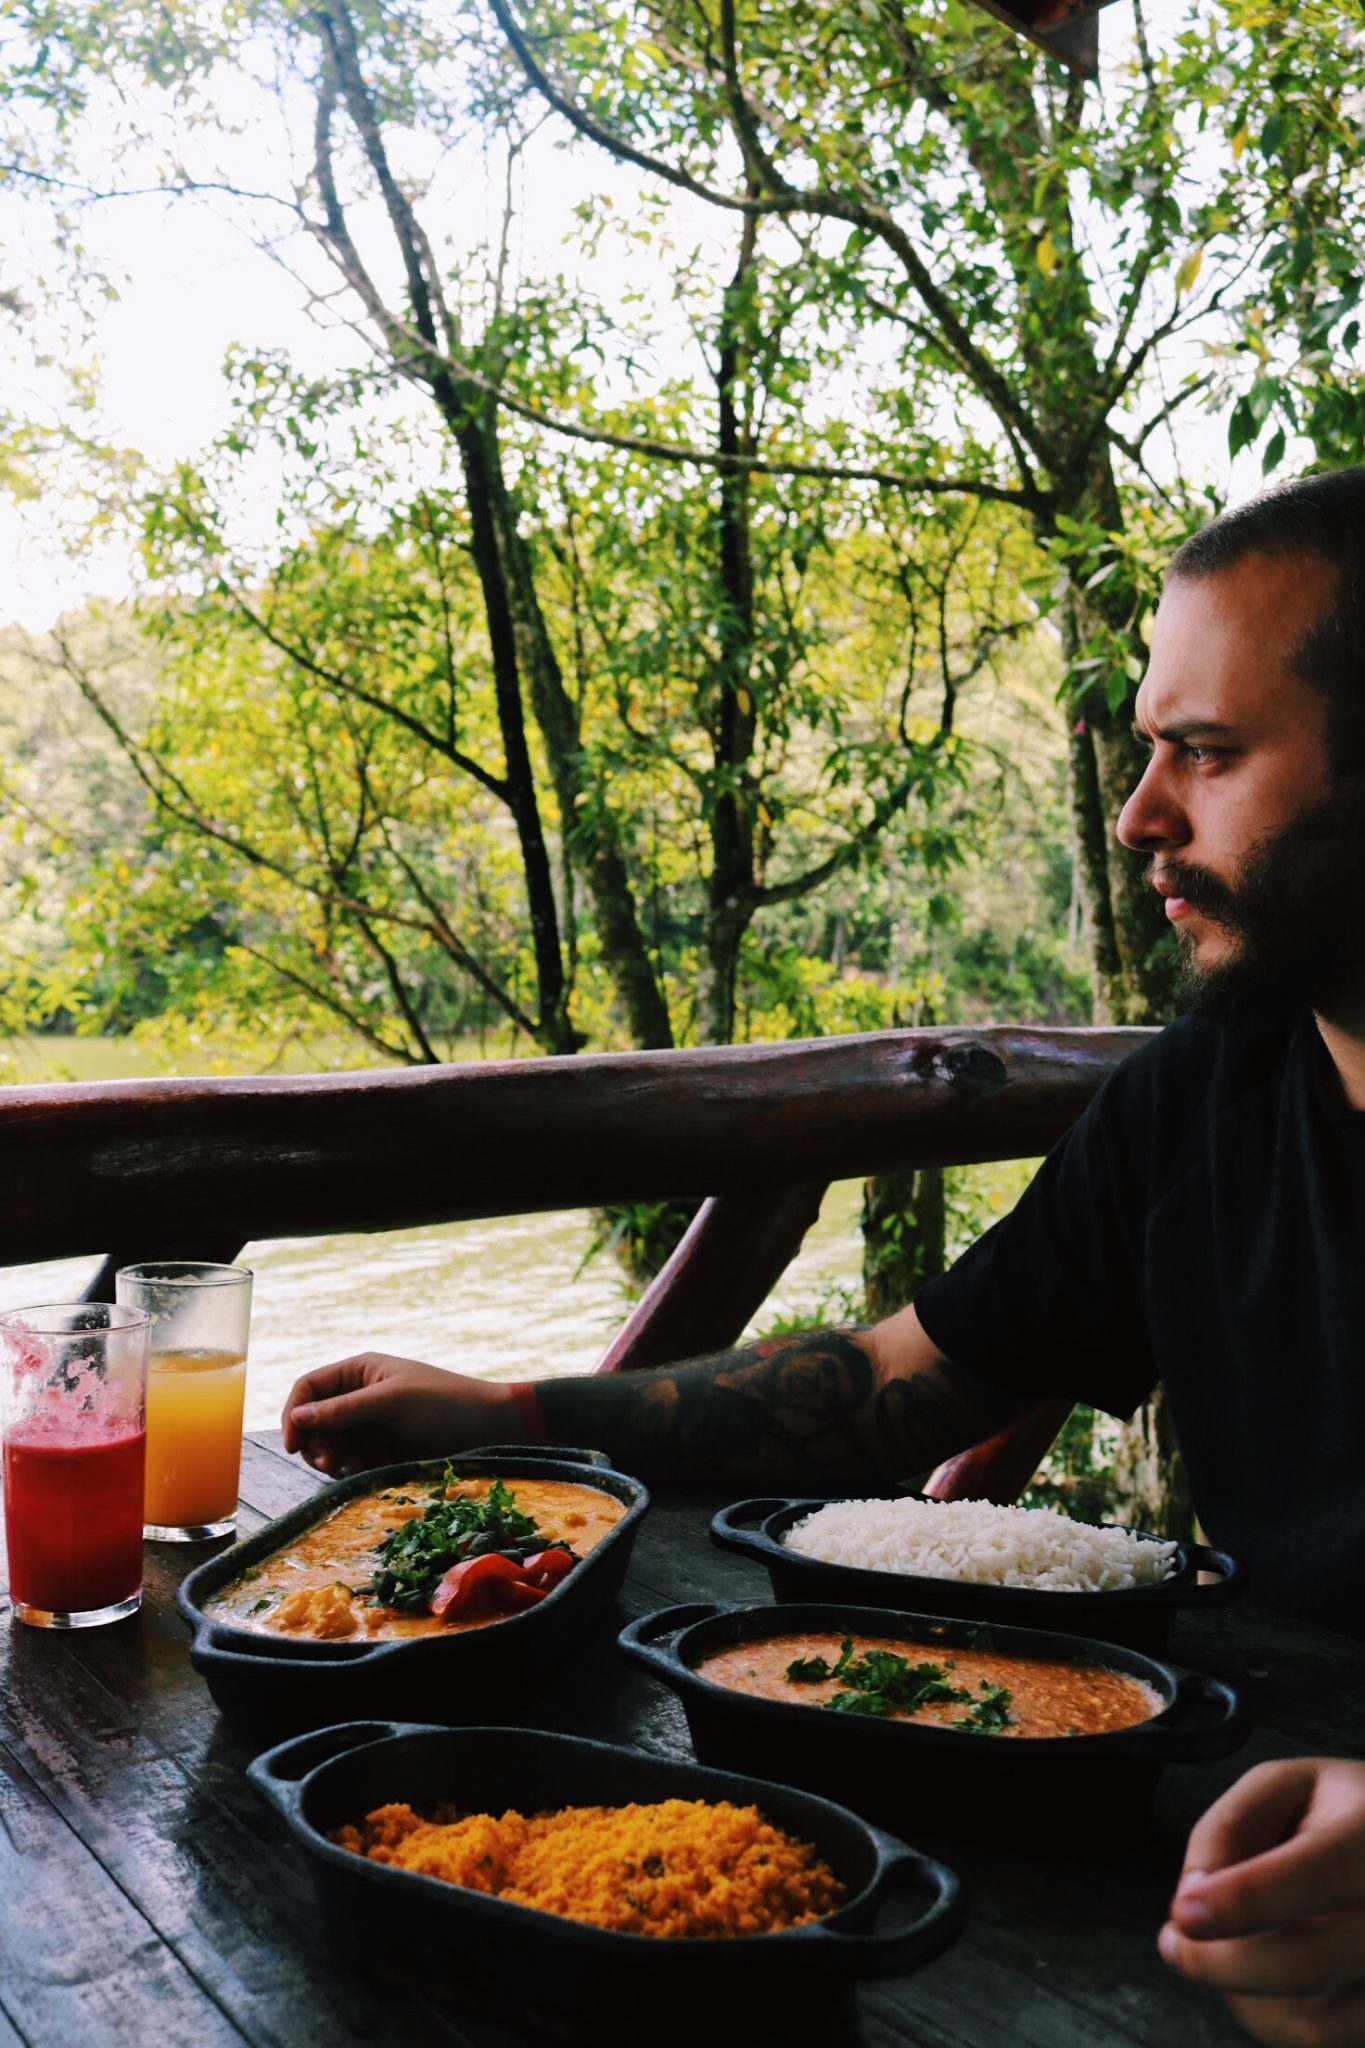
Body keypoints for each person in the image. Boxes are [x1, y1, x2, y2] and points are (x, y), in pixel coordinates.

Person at [282, 470, 1365, 2047]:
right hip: (1218, 1848)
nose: (1139, 812)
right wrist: (514, 1411)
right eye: (1145, 749)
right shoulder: (1200, 1101)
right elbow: (887, 1386)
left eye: (1202, 752)